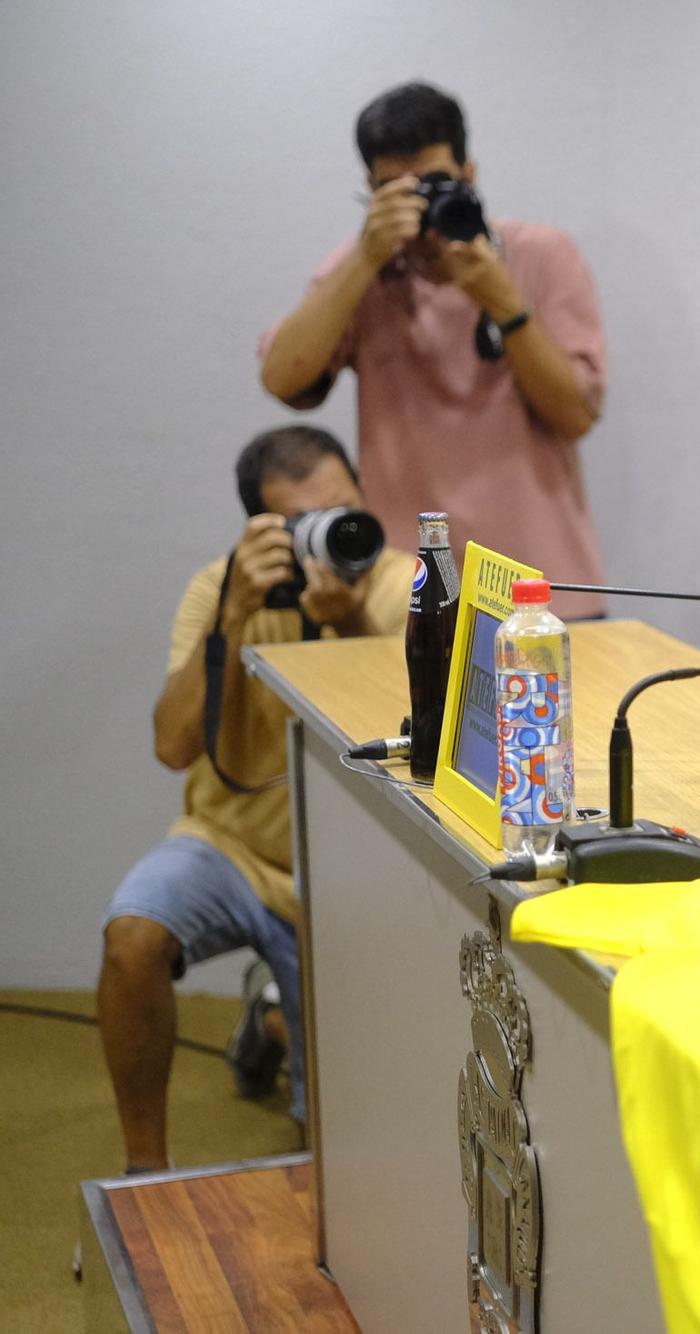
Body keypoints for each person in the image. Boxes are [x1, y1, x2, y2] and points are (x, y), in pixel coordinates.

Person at [99, 427, 411, 1171]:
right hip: (230, 845)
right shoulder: (220, 587)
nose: (334, 537)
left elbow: (422, 746)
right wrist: (231, 619)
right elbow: (173, 745)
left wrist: (350, 624)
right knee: (131, 938)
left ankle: (271, 1018)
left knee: (328, 1154)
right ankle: (146, 1176)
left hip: (351, 878)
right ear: (264, 529)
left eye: (346, 510)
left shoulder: (409, 584)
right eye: (306, 525)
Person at [258, 81, 608, 620]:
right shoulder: (362, 269)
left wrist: (502, 301)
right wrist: (366, 258)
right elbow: (283, 380)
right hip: (411, 600)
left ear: (469, 174)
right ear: (370, 192)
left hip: (542, 594)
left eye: (434, 183)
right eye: (392, 190)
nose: (417, 206)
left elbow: (575, 413)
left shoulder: (540, 255)